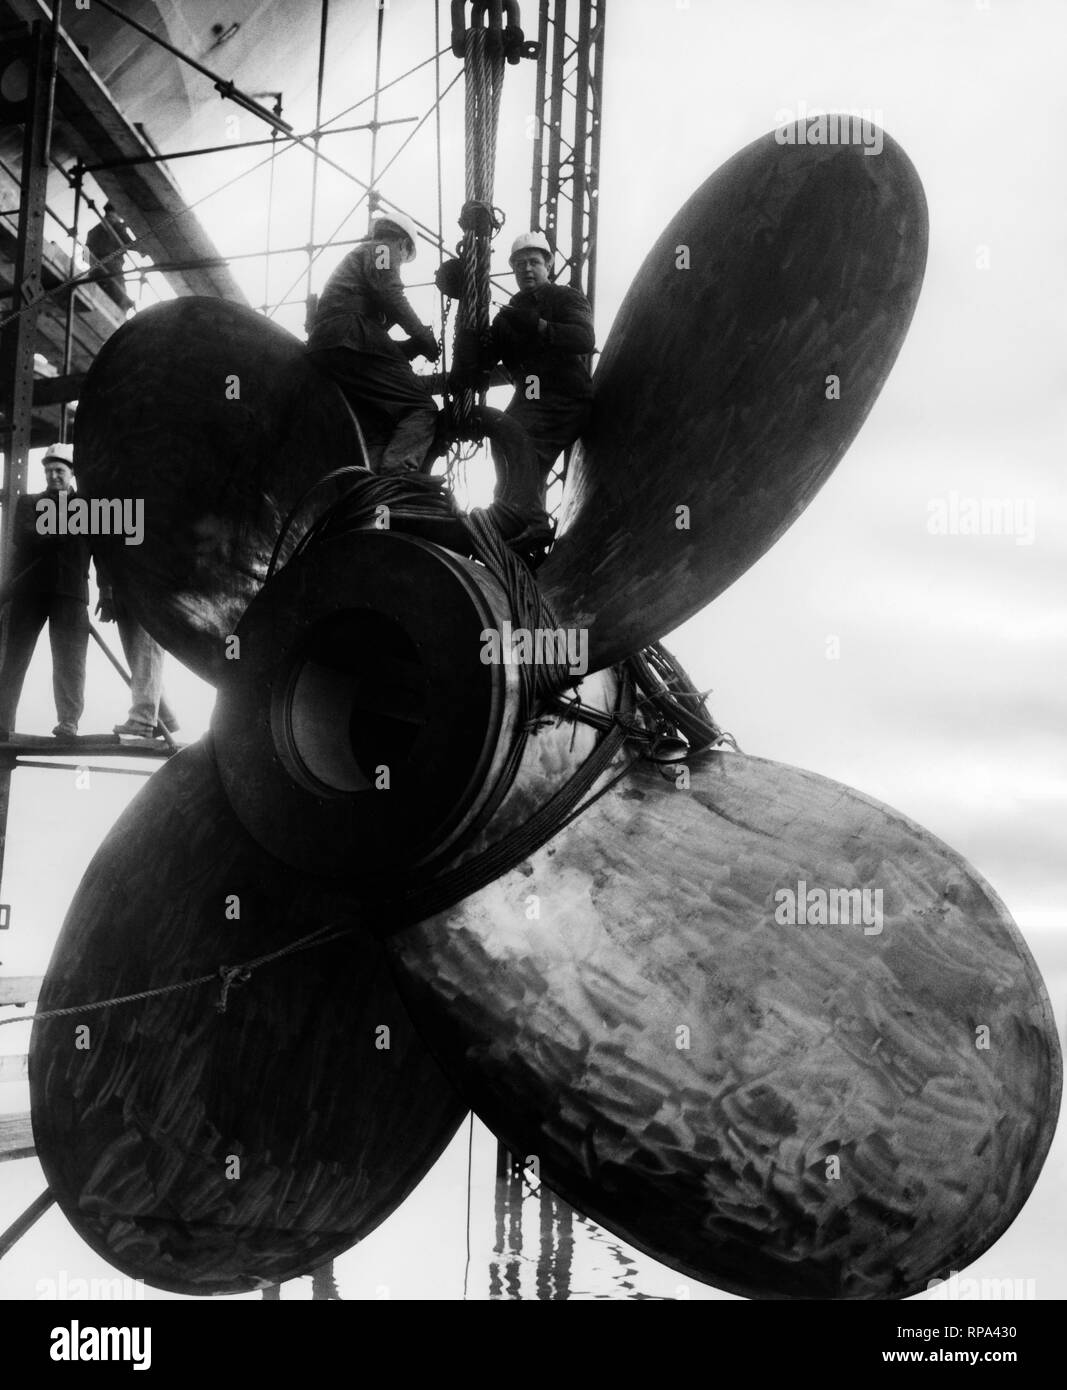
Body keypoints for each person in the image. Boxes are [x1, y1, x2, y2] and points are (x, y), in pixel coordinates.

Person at [306, 211, 441, 476]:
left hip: (331, 344)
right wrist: (422, 336)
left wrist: (410, 348)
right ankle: (395, 478)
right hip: (349, 337)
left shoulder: (361, 259)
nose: (400, 261)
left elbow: (374, 348)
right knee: (420, 407)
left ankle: (369, 484)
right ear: (403, 244)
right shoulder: (381, 249)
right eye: (404, 256)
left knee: (379, 421)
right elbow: (389, 293)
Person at [0, 443, 90, 738]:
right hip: (31, 591)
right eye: (49, 470)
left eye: (59, 470)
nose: (53, 476)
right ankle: (1, 721)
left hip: (70, 592)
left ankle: (68, 721)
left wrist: (109, 591)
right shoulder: (28, 503)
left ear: (71, 473)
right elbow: (25, 537)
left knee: (70, 660)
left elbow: (103, 552)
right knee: (15, 657)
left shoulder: (89, 507)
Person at [489, 231, 595, 481]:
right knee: (504, 441)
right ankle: (515, 512)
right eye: (519, 264)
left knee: (518, 447)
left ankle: (517, 513)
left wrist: (540, 326)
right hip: (531, 400)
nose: (526, 269)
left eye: (534, 262)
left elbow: (584, 339)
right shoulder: (506, 317)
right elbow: (483, 362)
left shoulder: (565, 298)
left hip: (565, 399)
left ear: (548, 264)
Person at [95, 578, 179, 740]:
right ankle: (164, 717)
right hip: (123, 583)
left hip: (146, 582)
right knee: (139, 657)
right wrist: (106, 590)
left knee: (146, 650)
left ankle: (143, 719)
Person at [85, 202, 135, 313]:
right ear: (114, 213)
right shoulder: (116, 226)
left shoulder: (92, 231)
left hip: (94, 271)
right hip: (113, 269)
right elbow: (133, 244)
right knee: (120, 301)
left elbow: (85, 256)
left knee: (98, 302)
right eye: (119, 216)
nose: (120, 219)